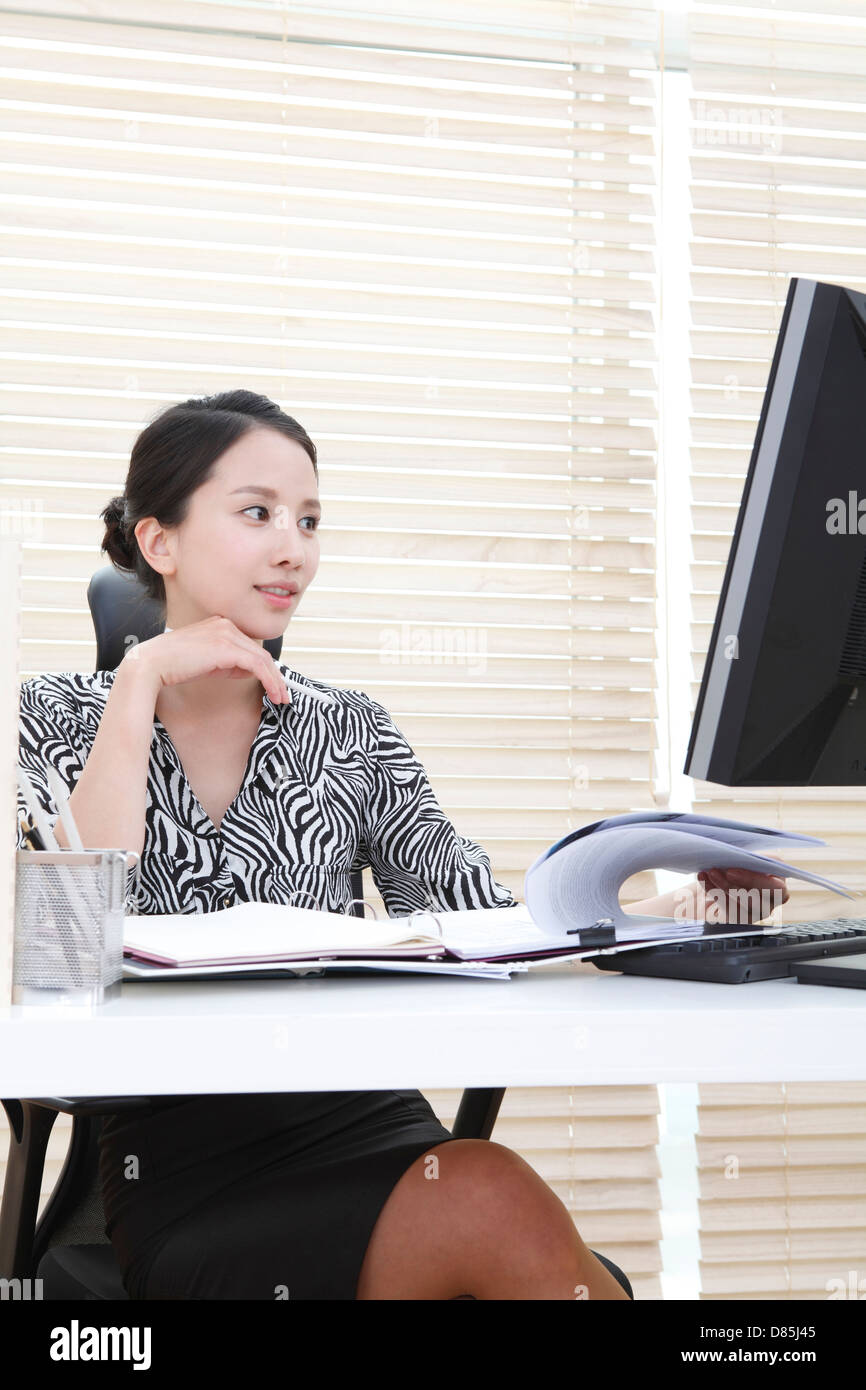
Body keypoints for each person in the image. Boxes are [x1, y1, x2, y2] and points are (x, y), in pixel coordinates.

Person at [16, 389, 785, 1300]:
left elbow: (486, 922)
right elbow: (63, 950)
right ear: (160, 542)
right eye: (257, 512)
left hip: (371, 1126)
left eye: (308, 520)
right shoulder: (53, 716)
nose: (292, 547)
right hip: (188, 1175)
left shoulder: (350, 729)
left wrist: (675, 910)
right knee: (491, 1198)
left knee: (494, 1209)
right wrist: (138, 677)